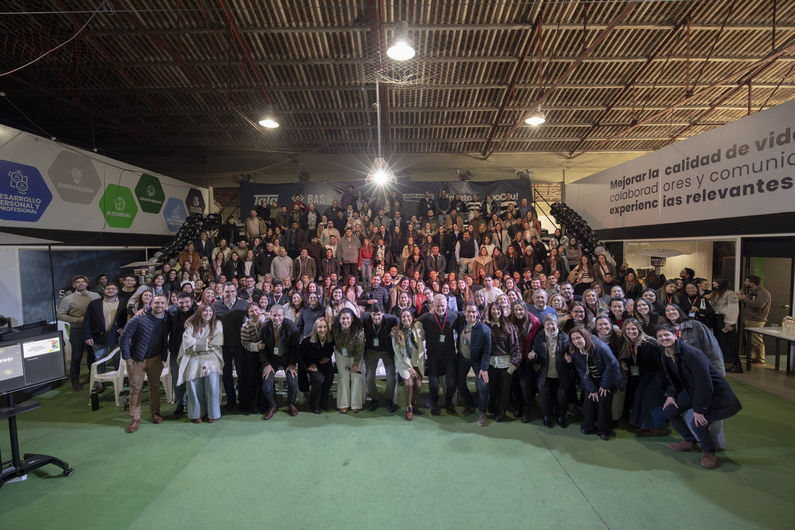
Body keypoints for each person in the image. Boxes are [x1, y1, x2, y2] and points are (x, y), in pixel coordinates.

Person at [656, 324, 742, 469]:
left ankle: (709, 452)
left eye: (666, 335)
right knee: (670, 410)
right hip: (692, 391)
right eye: (660, 336)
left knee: (699, 422)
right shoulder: (665, 353)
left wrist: (699, 409)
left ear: (676, 335)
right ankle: (689, 442)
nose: (663, 338)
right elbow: (671, 378)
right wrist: (671, 396)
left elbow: (705, 383)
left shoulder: (691, 353)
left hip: (715, 395)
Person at [118, 293, 170, 433]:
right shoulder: (138, 318)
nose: (159, 305)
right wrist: (128, 359)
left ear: (167, 305)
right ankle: (135, 418)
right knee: (136, 389)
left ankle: (155, 412)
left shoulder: (167, 318)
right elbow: (123, 338)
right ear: (151, 304)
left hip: (156, 358)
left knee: (154, 387)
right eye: (157, 303)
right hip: (137, 359)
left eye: (162, 303)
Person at [568, 326, 624, 440]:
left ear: (585, 337)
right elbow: (582, 371)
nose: (576, 341)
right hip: (593, 379)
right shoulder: (575, 352)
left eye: (578, 337)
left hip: (609, 379)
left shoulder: (600, 347)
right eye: (573, 339)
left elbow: (612, 366)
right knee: (589, 399)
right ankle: (588, 426)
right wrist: (592, 388)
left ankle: (603, 430)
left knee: (603, 400)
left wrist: (604, 385)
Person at [177, 303, 224, 423]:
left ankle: (212, 413)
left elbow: (217, 342)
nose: (207, 313)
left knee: (212, 387)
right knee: (194, 387)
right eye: (205, 311)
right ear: (199, 312)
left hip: (211, 358)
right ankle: (197, 413)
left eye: (210, 311)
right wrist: (206, 342)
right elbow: (187, 342)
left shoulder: (217, 324)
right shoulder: (191, 324)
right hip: (194, 357)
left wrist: (196, 342)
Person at [620, 319, 666, 435]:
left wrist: (666, 383)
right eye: (628, 329)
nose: (631, 331)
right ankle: (640, 423)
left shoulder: (651, 342)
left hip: (658, 374)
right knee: (639, 395)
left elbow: (662, 364)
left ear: (639, 329)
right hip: (644, 374)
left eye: (634, 328)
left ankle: (656, 426)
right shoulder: (627, 343)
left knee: (649, 397)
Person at [57, 275, 101, 391]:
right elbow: (60, 315)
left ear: (87, 283)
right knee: (77, 356)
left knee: (93, 355)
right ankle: (75, 380)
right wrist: (76, 320)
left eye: (83, 281)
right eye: (78, 282)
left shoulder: (95, 296)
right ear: (74, 285)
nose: (81, 283)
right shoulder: (68, 299)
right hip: (78, 330)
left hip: (94, 330)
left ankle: (95, 379)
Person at [418, 294, 459, 415]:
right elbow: (412, 322)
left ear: (446, 305)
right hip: (433, 355)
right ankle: (434, 403)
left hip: (449, 354)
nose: (440, 308)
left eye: (442, 306)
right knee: (433, 382)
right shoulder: (426, 317)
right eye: (437, 306)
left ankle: (448, 402)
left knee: (451, 382)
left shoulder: (454, 316)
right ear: (433, 305)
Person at [528, 316, 572, 428]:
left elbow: (571, 356)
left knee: (562, 397)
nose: (550, 326)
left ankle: (561, 416)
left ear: (557, 324)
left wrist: (569, 360)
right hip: (545, 374)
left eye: (552, 324)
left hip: (561, 375)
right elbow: (535, 353)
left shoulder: (565, 337)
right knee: (544, 396)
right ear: (544, 325)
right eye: (547, 324)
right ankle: (546, 416)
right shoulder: (539, 337)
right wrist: (533, 356)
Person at [212, 282, 249, 410]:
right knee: (226, 374)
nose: (230, 294)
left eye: (232, 291)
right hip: (224, 345)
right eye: (227, 291)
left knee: (242, 373)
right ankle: (231, 400)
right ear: (222, 292)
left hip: (240, 345)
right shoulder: (215, 306)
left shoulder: (244, 304)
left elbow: (254, 319)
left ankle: (244, 400)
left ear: (236, 292)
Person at [259, 306, 300, 419]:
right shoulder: (265, 327)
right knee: (266, 386)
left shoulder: (291, 326)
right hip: (272, 359)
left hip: (288, 358)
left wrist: (292, 364)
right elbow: (262, 348)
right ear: (270, 315)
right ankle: (273, 405)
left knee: (292, 382)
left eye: (279, 315)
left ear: (283, 316)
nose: (277, 318)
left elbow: (295, 348)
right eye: (274, 315)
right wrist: (266, 364)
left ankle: (291, 403)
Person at [484, 302, 521, 422]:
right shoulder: (485, 326)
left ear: (501, 311)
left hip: (506, 363)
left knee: (504, 390)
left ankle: (501, 412)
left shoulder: (509, 327)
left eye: (498, 309)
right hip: (491, 363)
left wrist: (514, 363)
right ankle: (493, 408)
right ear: (489, 311)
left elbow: (515, 347)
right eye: (493, 309)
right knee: (492, 388)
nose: (495, 312)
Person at [82, 282, 120, 391]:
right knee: (99, 359)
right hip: (98, 337)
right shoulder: (94, 304)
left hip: (116, 337)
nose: (111, 290)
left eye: (113, 288)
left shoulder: (123, 303)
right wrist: (87, 336)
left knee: (118, 360)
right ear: (104, 290)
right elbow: (87, 321)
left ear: (117, 291)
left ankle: (120, 379)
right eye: (108, 288)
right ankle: (99, 382)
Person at [362, 304, 399, 412]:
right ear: (370, 314)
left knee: (391, 377)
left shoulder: (391, 319)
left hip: (386, 352)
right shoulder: (365, 318)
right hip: (371, 351)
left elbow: (398, 321)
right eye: (374, 315)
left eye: (378, 315)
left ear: (383, 313)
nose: (376, 317)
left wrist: (396, 329)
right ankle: (374, 398)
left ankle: (389, 399)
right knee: (369, 377)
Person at [391, 310, 426, 421]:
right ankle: (409, 408)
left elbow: (423, 338)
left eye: (408, 316)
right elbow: (397, 353)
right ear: (400, 319)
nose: (406, 318)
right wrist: (408, 367)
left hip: (417, 361)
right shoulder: (396, 331)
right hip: (404, 362)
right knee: (408, 384)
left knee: (419, 385)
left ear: (412, 317)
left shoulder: (418, 326)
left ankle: (412, 402)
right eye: (403, 316)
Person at [166, 291, 195, 416]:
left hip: (194, 352)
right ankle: (180, 404)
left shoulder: (199, 311)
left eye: (187, 302)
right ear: (176, 302)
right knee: (178, 379)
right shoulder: (170, 312)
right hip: (176, 351)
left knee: (194, 379)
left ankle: (195, 404)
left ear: (192, 302)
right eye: (181, 302)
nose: (184, 305)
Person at [331, 308, 366, 413]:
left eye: (347, 318)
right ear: (339, 319)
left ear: (352, 319)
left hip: (356, 355)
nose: (345, 321)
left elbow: (359, 349)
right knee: (343, 378)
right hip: (341, 354)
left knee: (356, 378)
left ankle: (356, 404)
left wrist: (355, 363)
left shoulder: (359, 330)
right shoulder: (335, 328)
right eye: (343, 318)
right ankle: (343, 404)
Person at [300, 318, 335, 414]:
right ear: (315, 328)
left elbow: (329, 352)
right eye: (320, 327)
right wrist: (308, 366)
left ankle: (324, 401)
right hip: (311, 365)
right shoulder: (307, 341)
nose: (322, 330)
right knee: (319, 379)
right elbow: (300, 357)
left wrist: (326, 358)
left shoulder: (330, 340)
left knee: (330, 377)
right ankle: (314, 404)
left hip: (324, 364)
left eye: (325, 327)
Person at [737, 275, 771, 364]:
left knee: (757, 340)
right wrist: (741, 297)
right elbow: (749, 303)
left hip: (756, 320)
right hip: (748, 319)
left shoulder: (764, 293)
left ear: (752, 283)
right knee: (750, 340)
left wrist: (745, 298)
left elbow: (759, 305)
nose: (745, 283)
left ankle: (761, 359)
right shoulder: (751, 292)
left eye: (746, 281)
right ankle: (752, 357)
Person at [710, 277, 741, 373]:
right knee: (720, 342)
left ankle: (736, 365)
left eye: (715, 281)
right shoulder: (716, 293)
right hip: (717, 319)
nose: (713, 283)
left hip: (725, 320)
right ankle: (722, 363)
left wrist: (729, 323)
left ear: (720, 282)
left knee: (729, 343)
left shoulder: (730, 294)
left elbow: (733, 309)